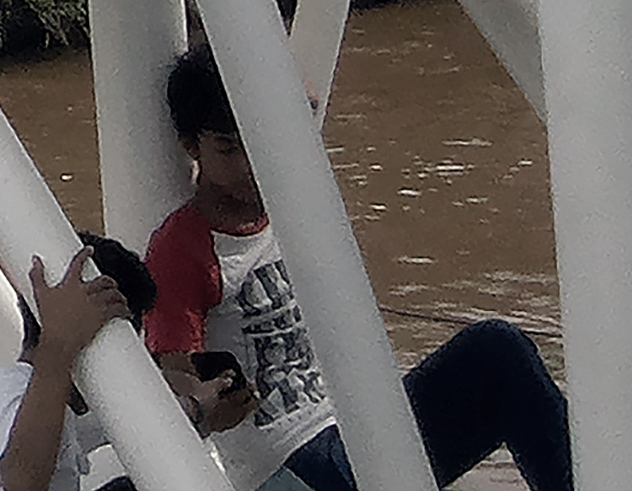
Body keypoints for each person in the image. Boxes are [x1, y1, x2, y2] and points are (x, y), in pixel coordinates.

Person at [145, 43, 578, 491]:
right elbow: (174, 376)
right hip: (291, 465)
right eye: (228, 148)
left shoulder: (293, 211)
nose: (250, 165)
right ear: (191, 146)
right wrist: (207, 406)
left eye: (258, 141)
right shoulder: (183, 247)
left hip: (356, 434)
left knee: (499, 354)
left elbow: (307, 99)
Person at [0, 235, 209, 491]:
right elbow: (21, 481)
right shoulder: (10, 386)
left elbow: (104, 427)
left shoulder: (58, 408)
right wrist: (60, 344)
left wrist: (197, 409)